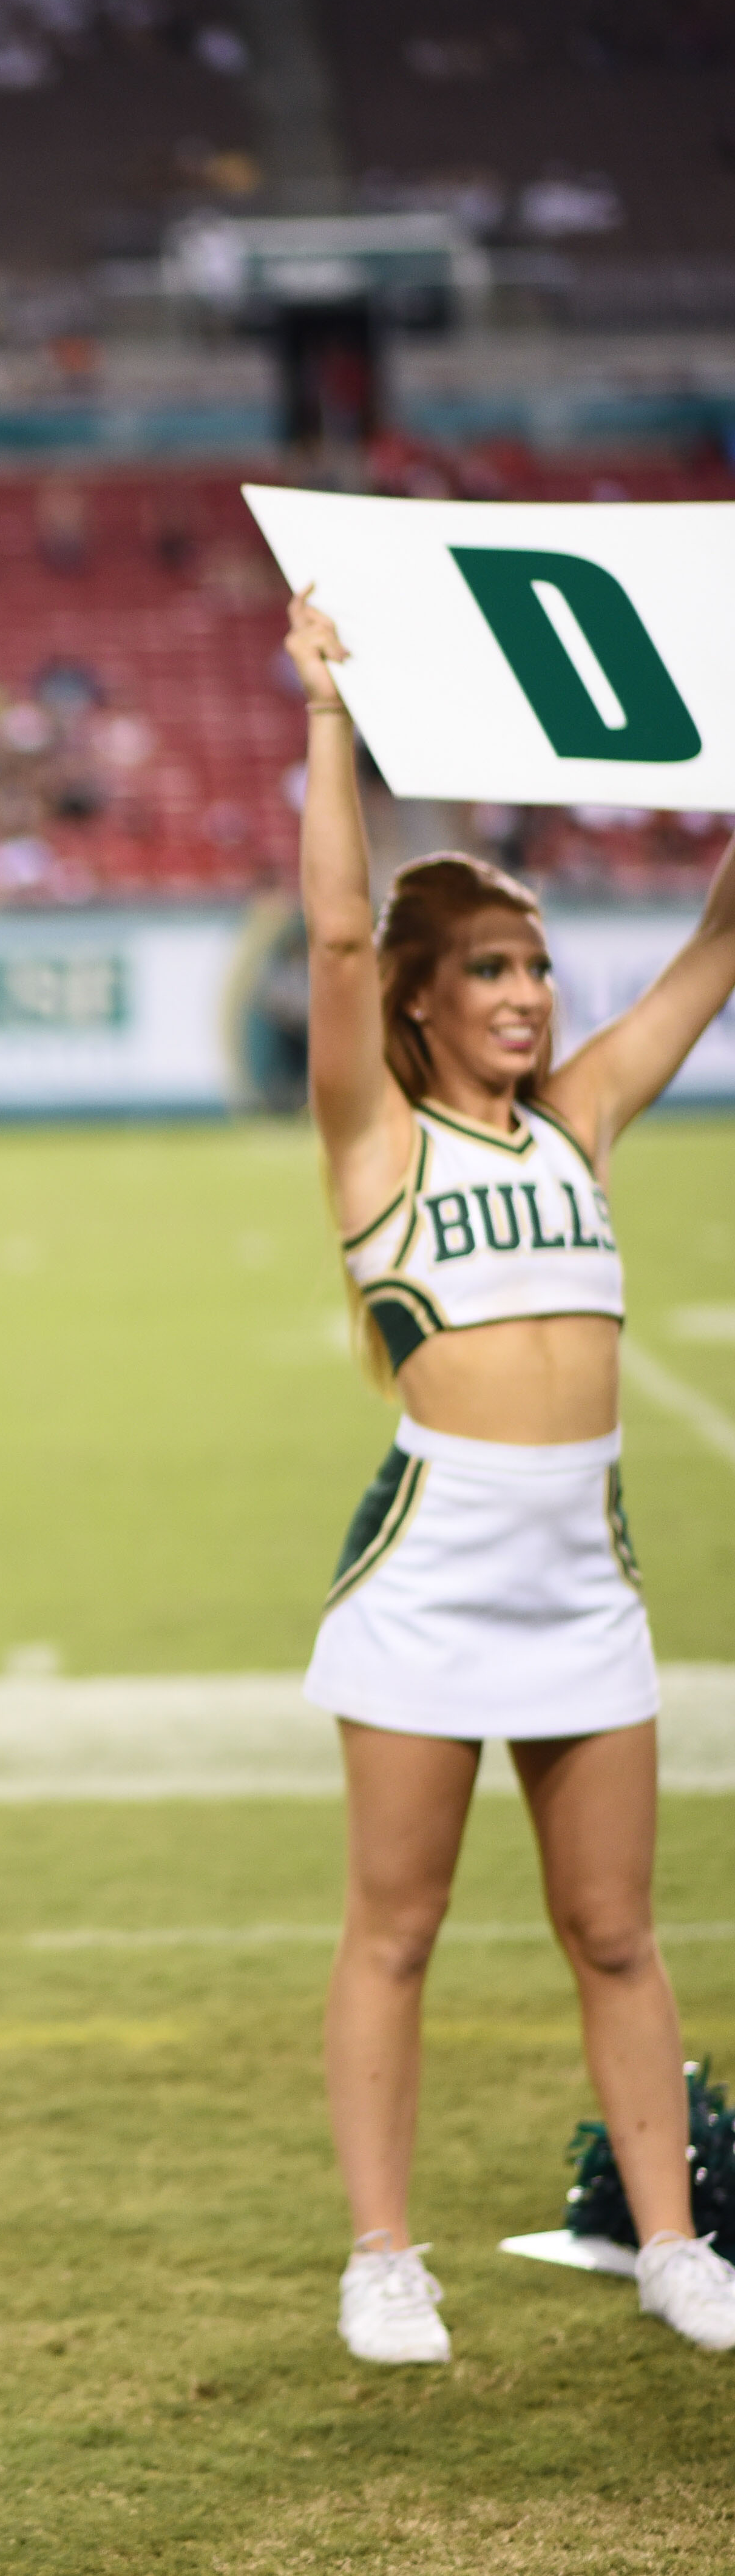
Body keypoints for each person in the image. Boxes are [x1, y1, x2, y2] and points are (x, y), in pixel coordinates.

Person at [291, 584, 735, 2367]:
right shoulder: (375, 1139)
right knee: (395, 1929)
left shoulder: (582, 1120)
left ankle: (670, 2240)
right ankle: (382, 2256)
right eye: (489, 968)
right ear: (419, 999)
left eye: (538, 967)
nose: (529, 996)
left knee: (614, 1930)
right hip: (431, 1567)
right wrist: (329, 713)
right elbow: (334, 934)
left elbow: (717, 939)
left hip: (580, 1578)